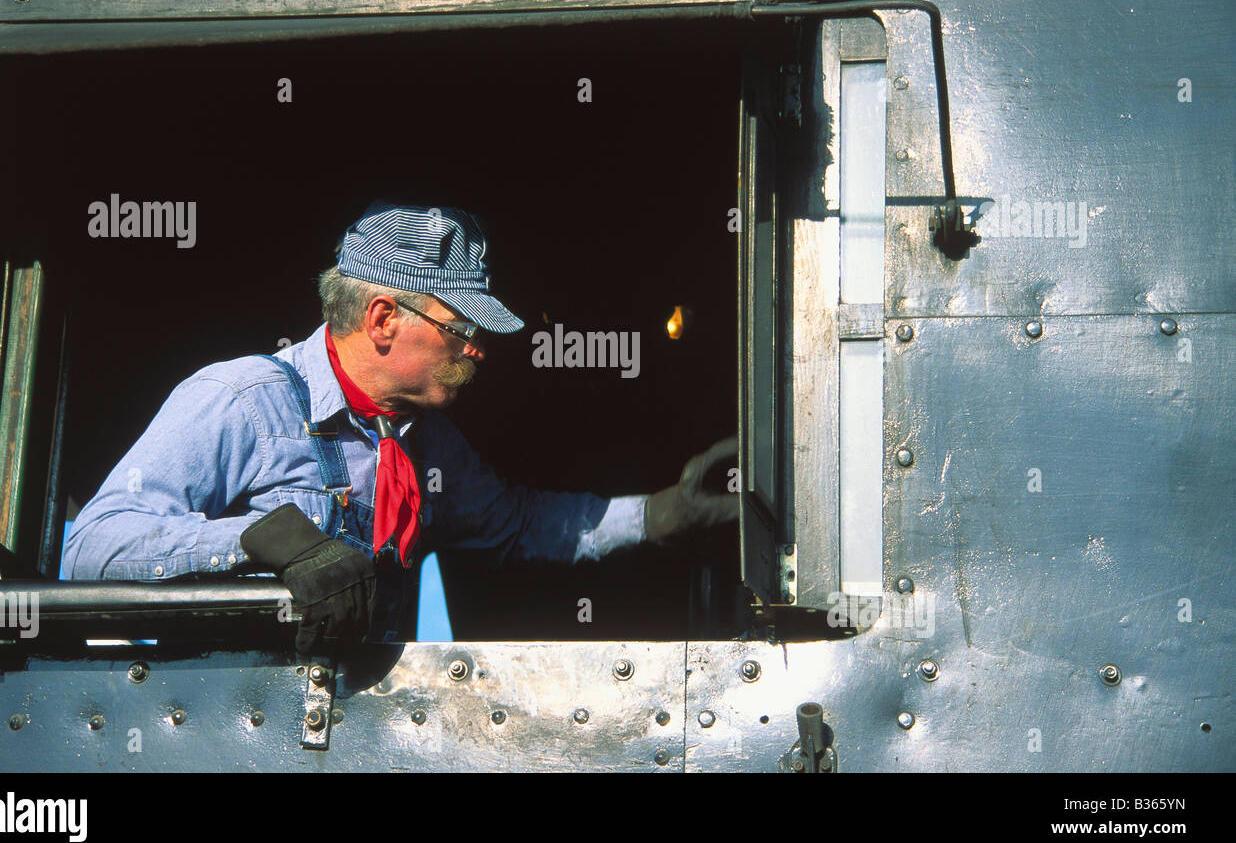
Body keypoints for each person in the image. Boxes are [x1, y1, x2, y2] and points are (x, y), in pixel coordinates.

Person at [61, 200, 737, 653]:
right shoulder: (240, 400)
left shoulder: (426, 442)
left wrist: (661, 512)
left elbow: (522, 524)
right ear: (383, 319)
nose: (477, 349)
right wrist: (262, 541)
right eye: (460, 328)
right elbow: (90, 550)